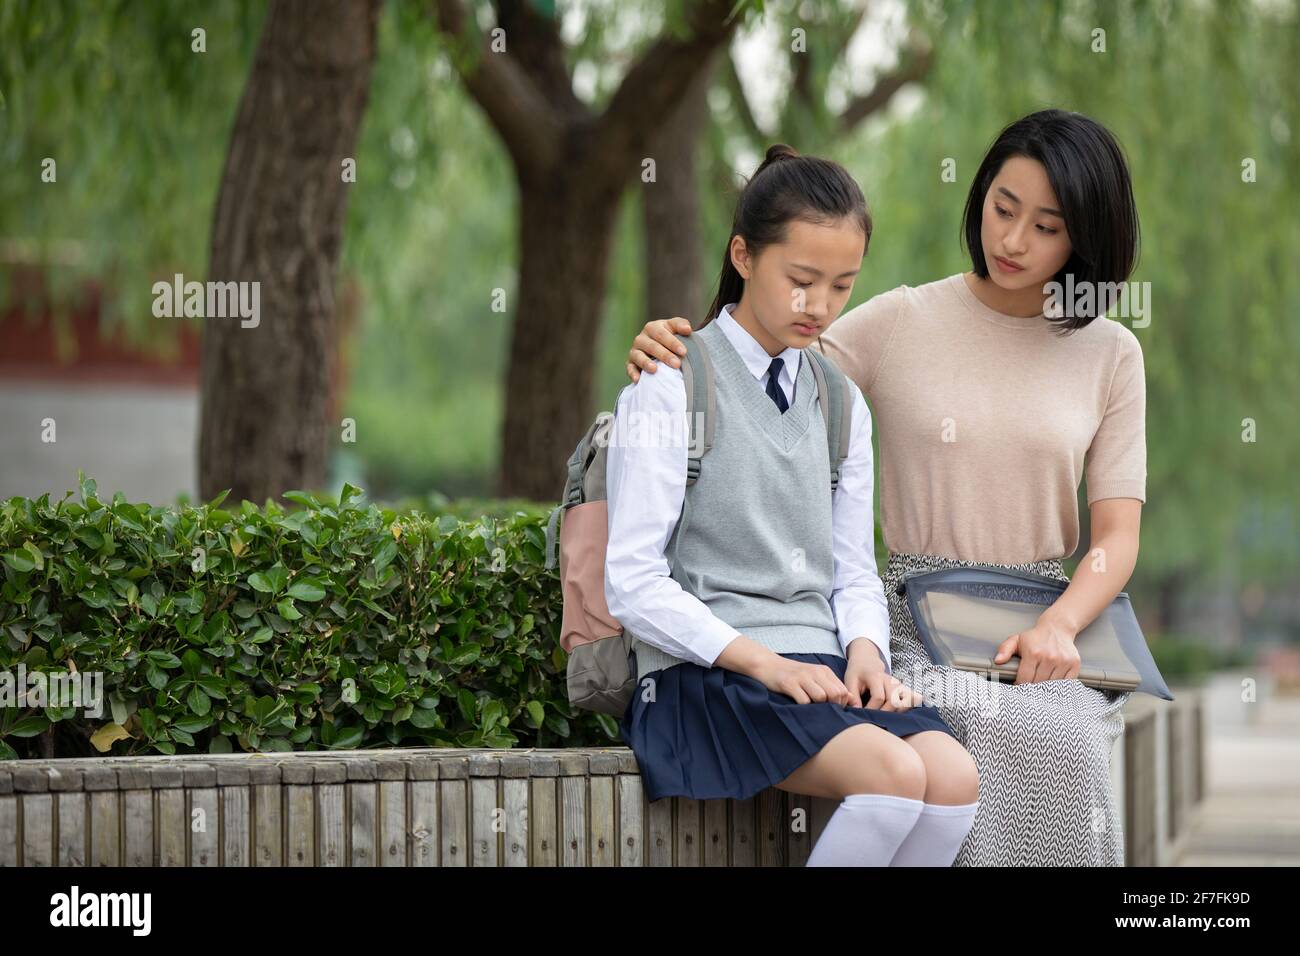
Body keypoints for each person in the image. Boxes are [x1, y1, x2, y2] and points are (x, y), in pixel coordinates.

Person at [621, 111, 1146, 866]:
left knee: (1067, 741)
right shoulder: (902, 318)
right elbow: (763, 357)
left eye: (1047, 226)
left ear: (1086, 236)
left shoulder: (1111, 353)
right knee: (964, 729)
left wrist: (1061, 626)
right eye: (1003, 208)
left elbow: (1117, 537)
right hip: (916, 616)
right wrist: (660, 350)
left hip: (1043, 626)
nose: (1013, 240)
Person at [607, 144, 980, 867]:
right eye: (801, 280)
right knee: (896, 777)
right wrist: (764, 664)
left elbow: (853, 570)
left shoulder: (843, 403)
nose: (822, 307)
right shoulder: (670, 384)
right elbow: (632, 580)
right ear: (743, 256)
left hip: (819, 667)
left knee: (955, 780)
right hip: (706, 672)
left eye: (843, 286)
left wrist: (867, 654)